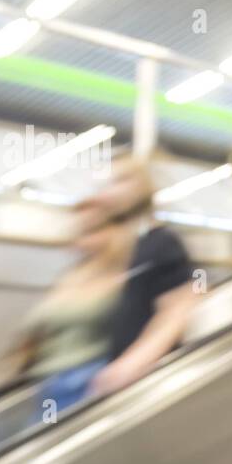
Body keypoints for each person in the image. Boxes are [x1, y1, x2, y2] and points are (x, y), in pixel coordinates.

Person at [0, 197, 132, 416]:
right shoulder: (70, 277)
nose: (84, 240)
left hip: (85, 384)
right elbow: (37, 326)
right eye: (80, 232)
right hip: (47, 384)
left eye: (93, 230)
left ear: (114, 232)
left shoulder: (122, 279)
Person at [87, 156, 200, 398]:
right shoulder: (122, 249)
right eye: (107, 184)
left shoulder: (162, 243)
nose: (109, 192)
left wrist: (130, 365)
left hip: (145, 383)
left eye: (121, 181)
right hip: (114, 381)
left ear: (142, 185)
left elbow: (178, 310)